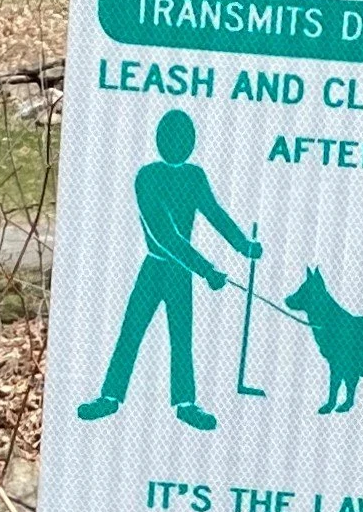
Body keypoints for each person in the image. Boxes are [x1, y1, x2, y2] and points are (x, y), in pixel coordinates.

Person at [77, 110, 259, 431]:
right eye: (170, 139)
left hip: (179, 275)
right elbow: (165, 236)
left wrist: (243, 245)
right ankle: (110, 397)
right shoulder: (147, 177)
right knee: (131, 331)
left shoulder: (194, 176)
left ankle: (186, 403)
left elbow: (214, 214)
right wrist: (207, 270)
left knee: (181, 338)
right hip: (156, 267)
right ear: (160, 141)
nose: (177, 146)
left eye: (183, 140)